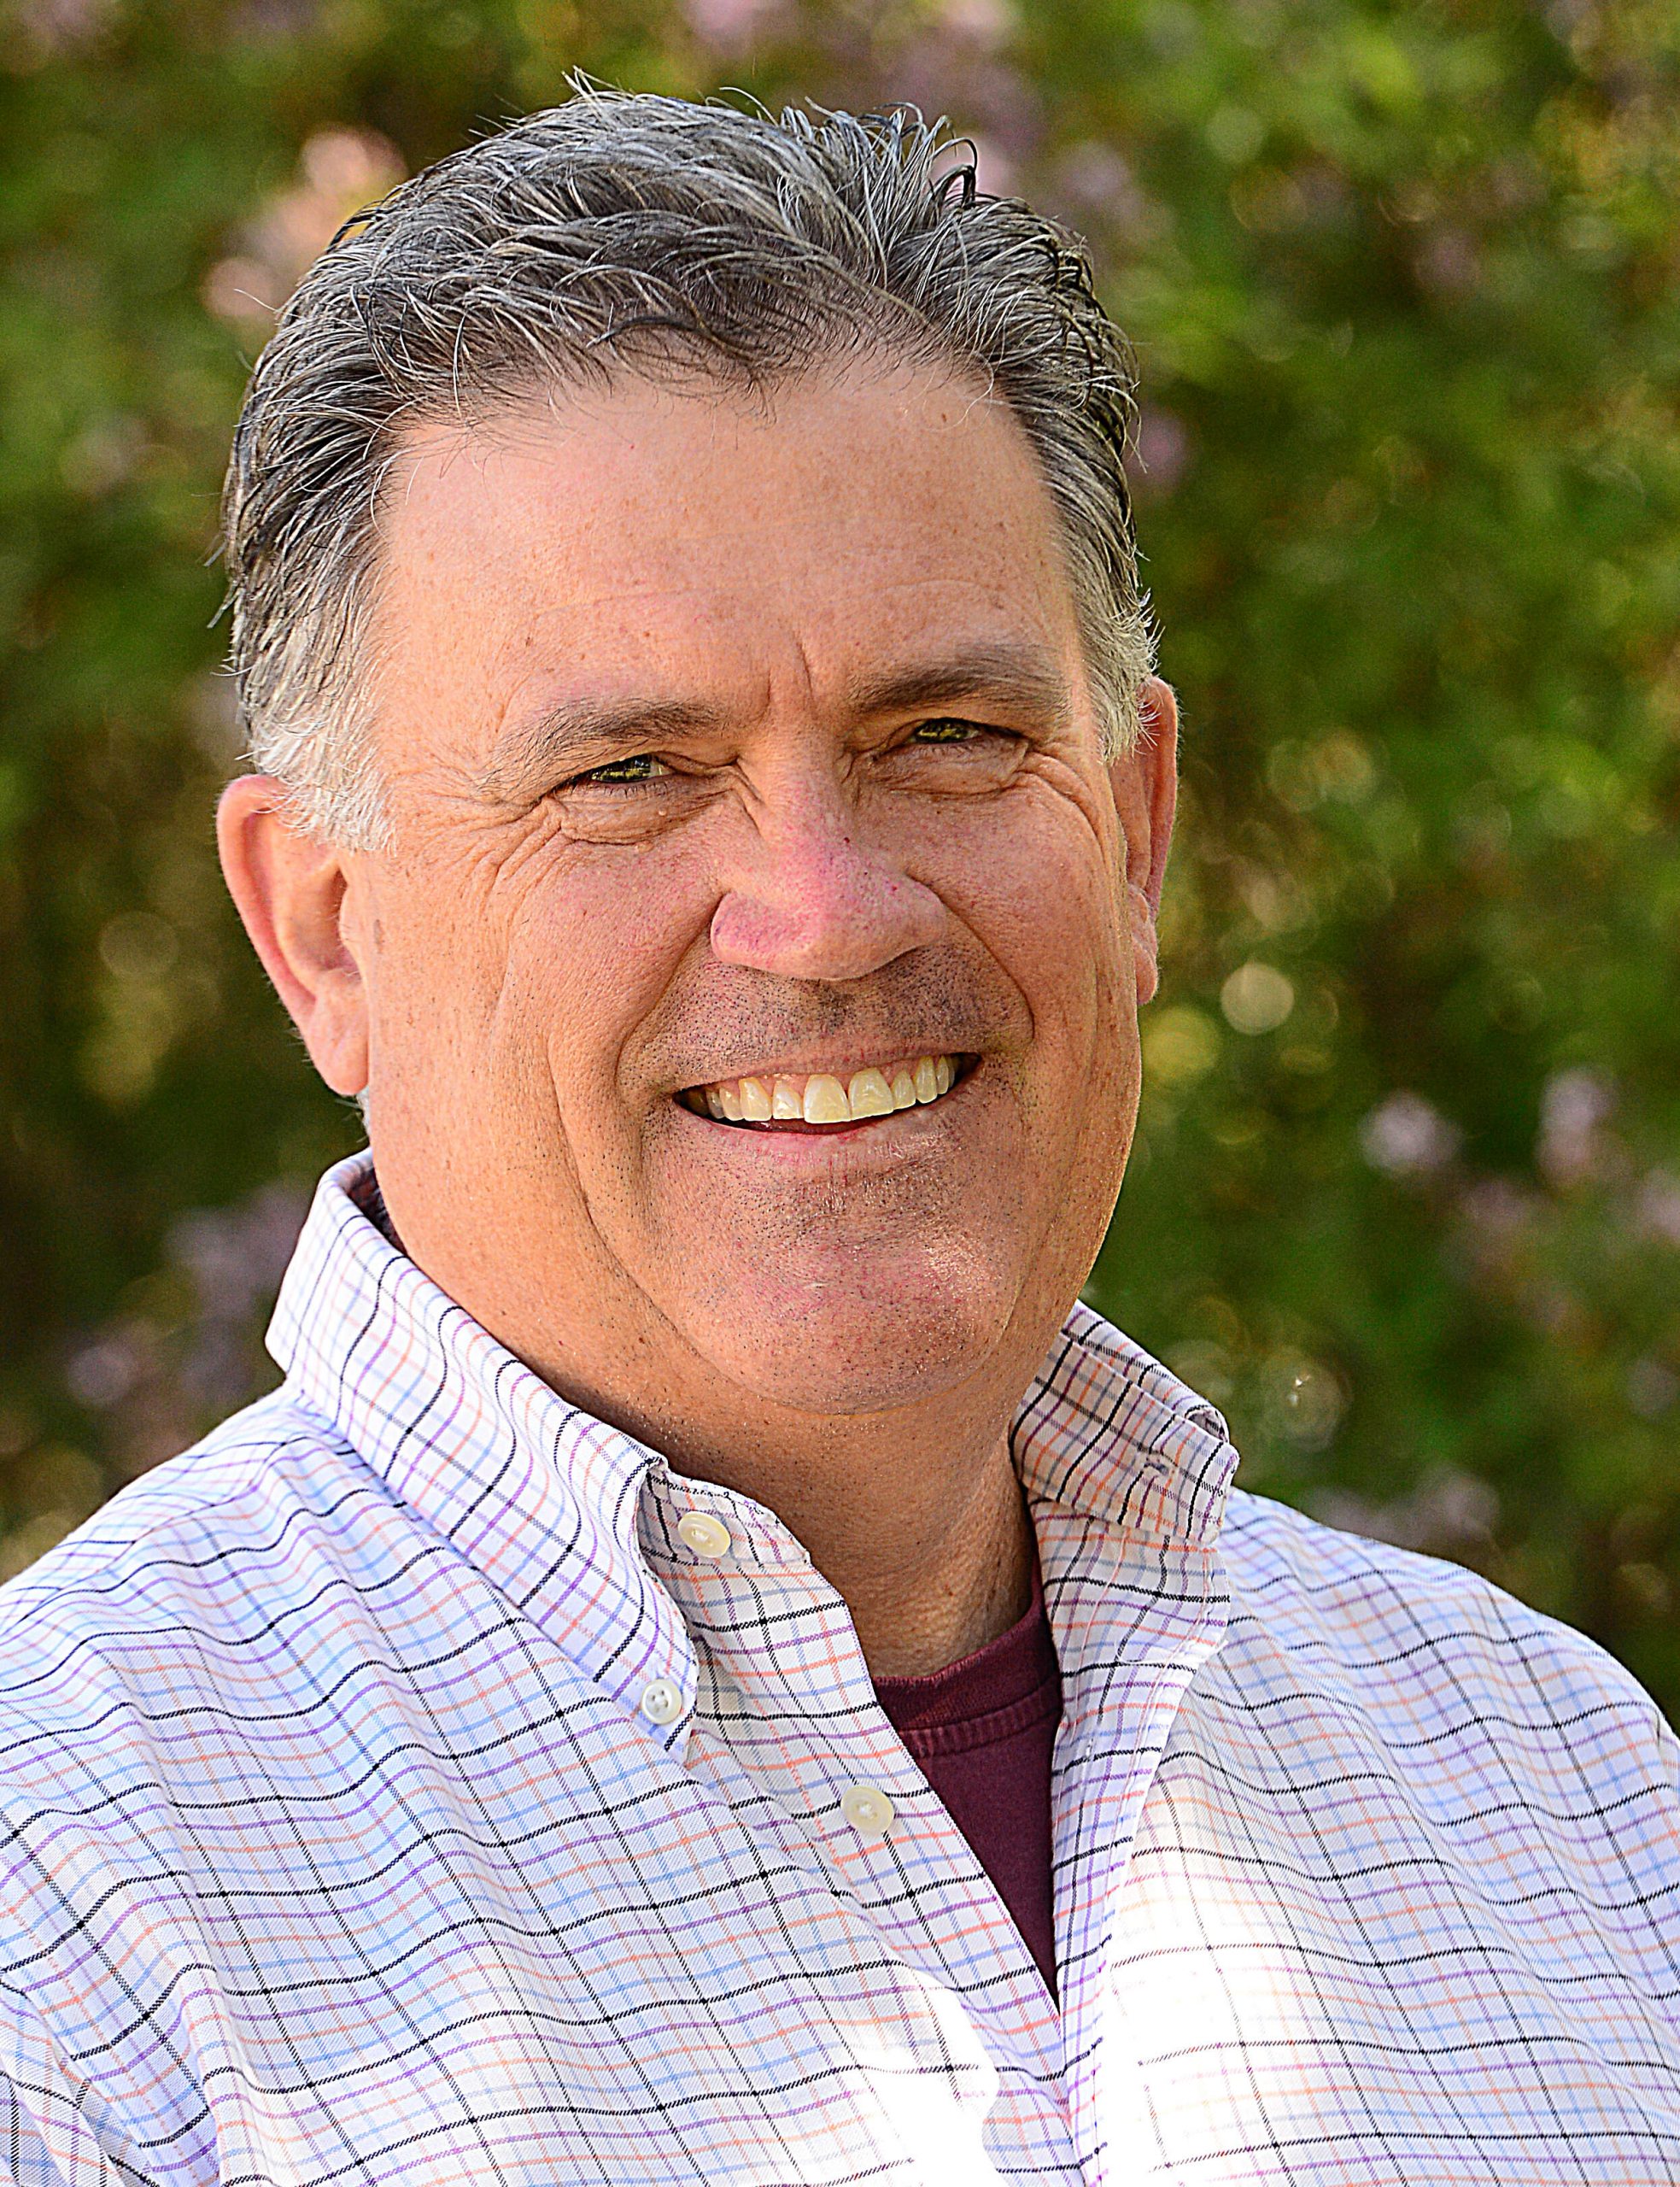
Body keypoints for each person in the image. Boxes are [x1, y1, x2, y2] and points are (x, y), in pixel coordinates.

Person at [1, 87, 1675, 2187]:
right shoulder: (60, 1925)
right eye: (629, 773)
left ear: (1136, 832)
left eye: (948, 735)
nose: (827, 913)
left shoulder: (1572, 1798)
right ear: (324, 932)